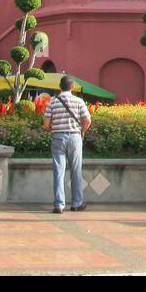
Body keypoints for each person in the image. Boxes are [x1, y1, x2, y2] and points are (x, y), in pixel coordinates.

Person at [43, 76, 92, 214]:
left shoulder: (52, 102)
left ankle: (59, 204)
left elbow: (46, 124)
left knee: (59, 171)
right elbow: (87, 120)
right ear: (72, 87)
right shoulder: (79, 101)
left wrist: (54, 128)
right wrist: (82, 130)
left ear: (60, 86)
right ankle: (77, 203)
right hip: (75, 137)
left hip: (58, 138)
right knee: (76, 171)